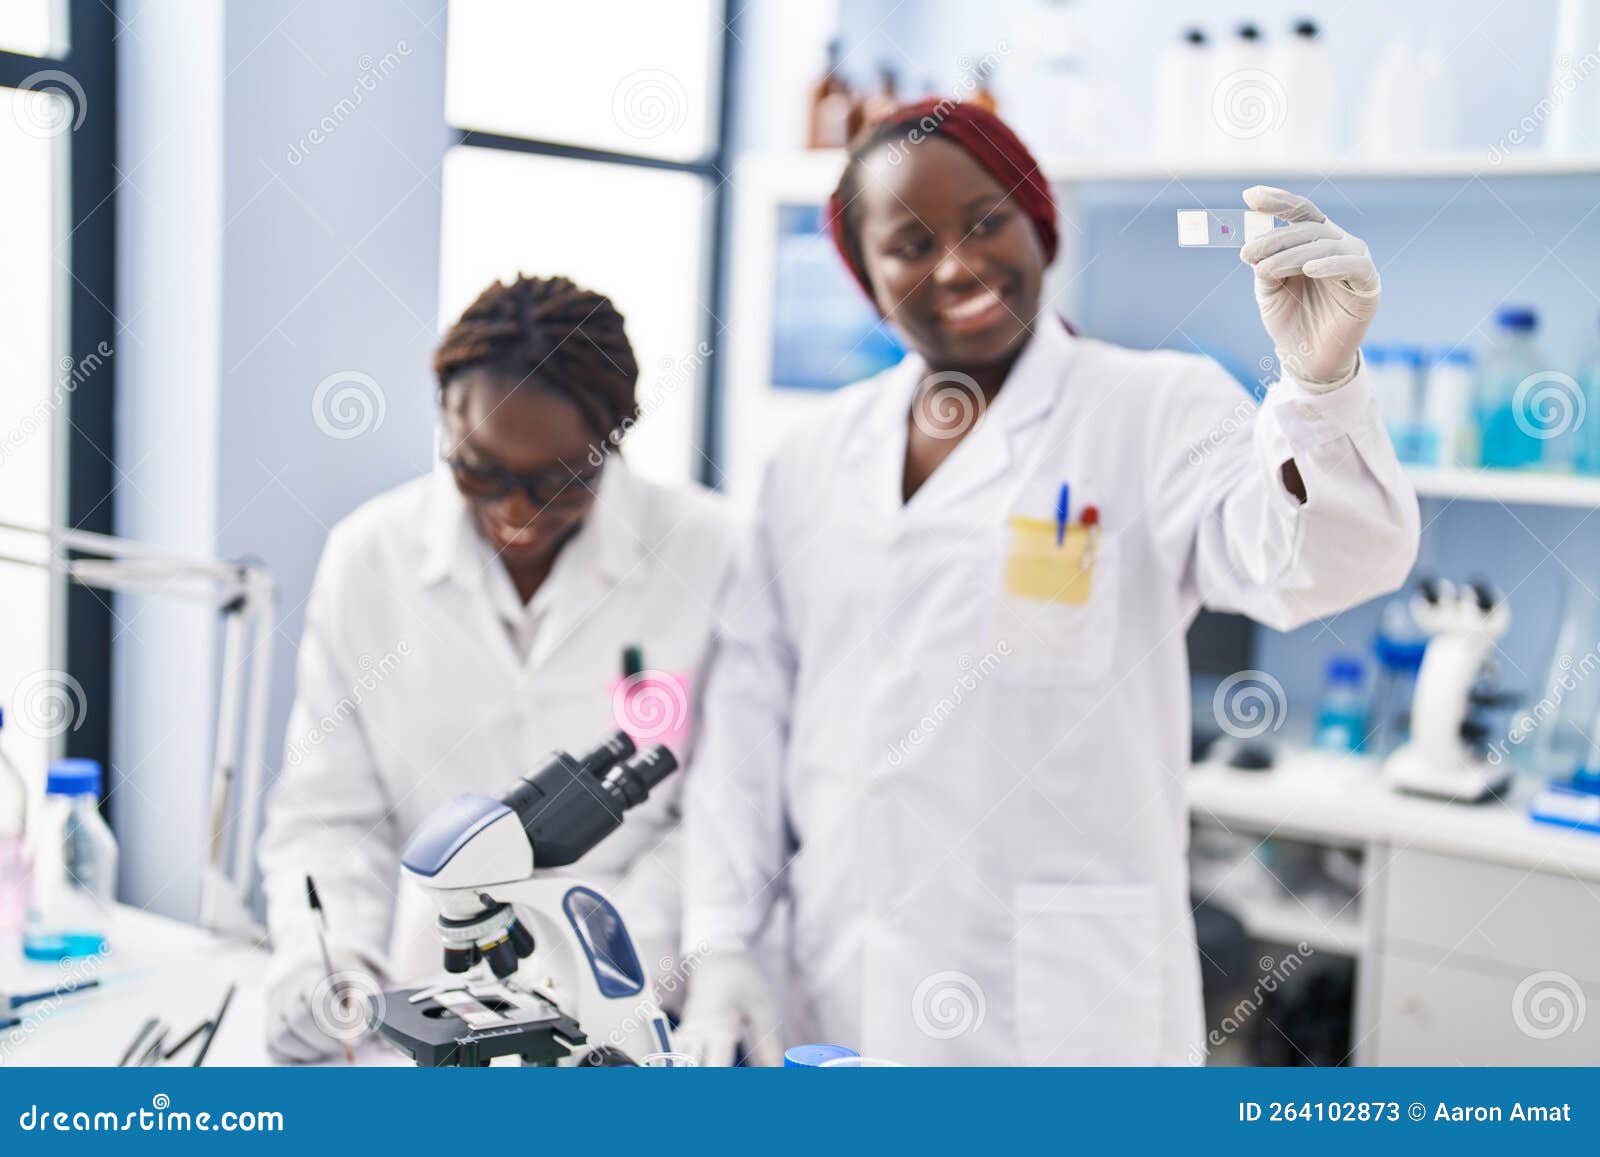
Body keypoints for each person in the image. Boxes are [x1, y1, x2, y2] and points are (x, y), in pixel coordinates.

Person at [676, 100, 1419, 1066]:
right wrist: (723, 936)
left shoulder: (1152, 407)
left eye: (987, 220)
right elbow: (748, 709)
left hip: (1056, 1011)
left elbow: (1315, 562)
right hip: (836, 971)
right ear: (870, 279)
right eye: (909, 244)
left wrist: (1320, 388)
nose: (957, 266)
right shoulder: (810, 457)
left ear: (1039, 222)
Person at [258, 274, 735, 1062]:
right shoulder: (369, 557)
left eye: (560, 481)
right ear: (444, 419)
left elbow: (721, 819)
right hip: (432, 986)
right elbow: (328, 814)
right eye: (481, 469)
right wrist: (326, 965)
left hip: (641, 989)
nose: (519, 512)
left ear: (615, 440)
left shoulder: (712, 551)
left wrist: (597, 967)